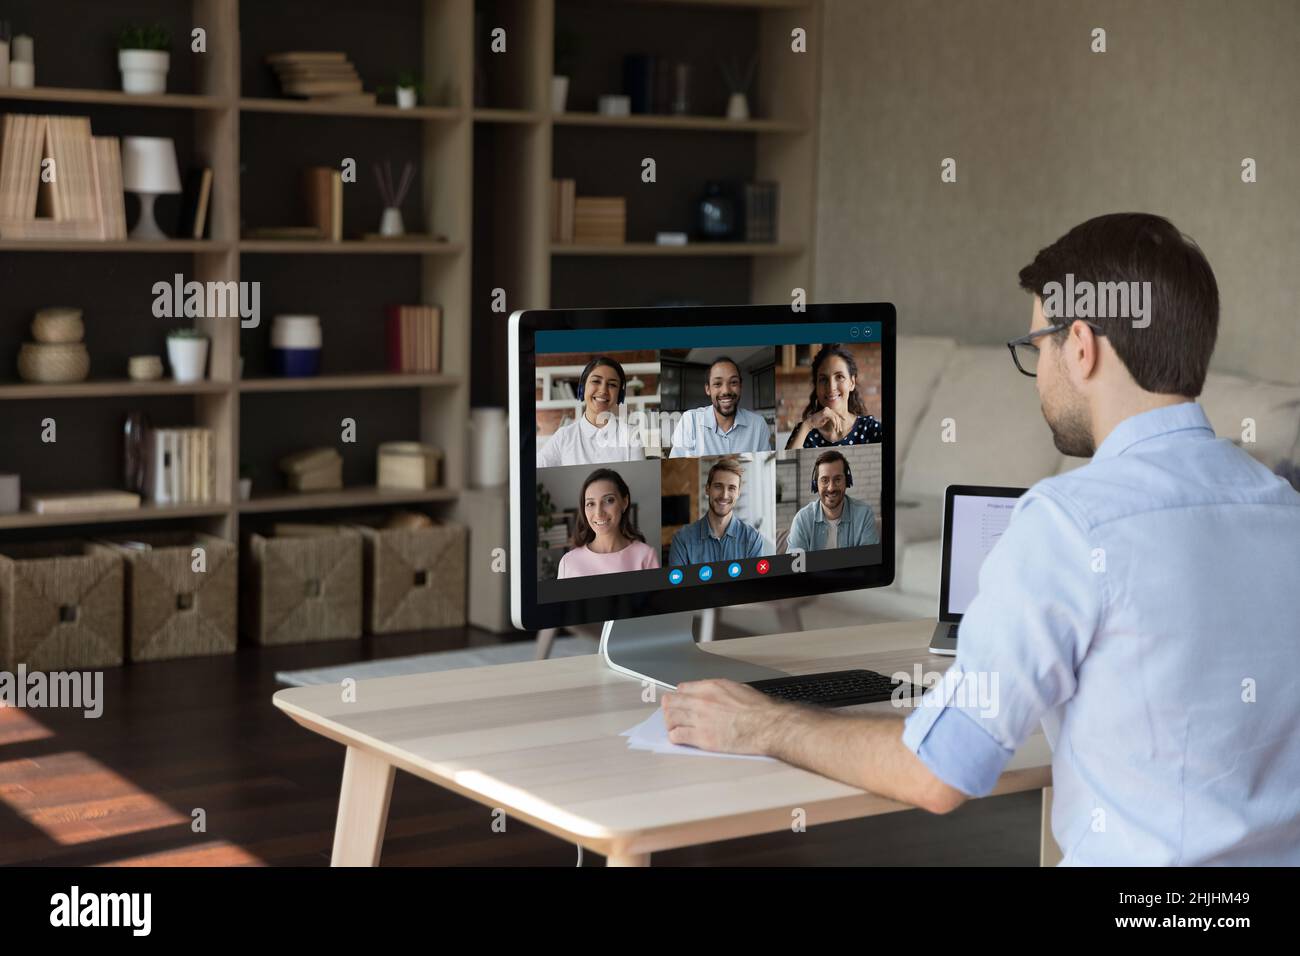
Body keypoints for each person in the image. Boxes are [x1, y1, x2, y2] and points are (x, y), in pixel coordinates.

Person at [662, 213, 1300, 865]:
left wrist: (763, 722)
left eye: (1037, 347)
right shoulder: (1284, 506)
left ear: (1080, 345)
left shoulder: (1070, 522)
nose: (1040, 374)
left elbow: (936, 772)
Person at [537, 355, 644, 468]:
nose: (603, 390)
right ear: (583, 388)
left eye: (612, 384)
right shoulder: (563, 437)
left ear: (620, 395)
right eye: (596, 381)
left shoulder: (631, 436)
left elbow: (642, 480)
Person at [556, 468, 659, 578]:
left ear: (624, 502)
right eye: (591, 504)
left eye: (609, 500)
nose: (599, 513)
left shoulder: (645, 556)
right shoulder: (569, 562)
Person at [667, 456, 766, 566]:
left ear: (738, 493)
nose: (724, 495)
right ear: (707, 489)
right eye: (718, 486)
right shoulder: (682, 540)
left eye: (732, 488)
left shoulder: (753, 539)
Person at [669, 356, 773, 457]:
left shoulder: (758, 425)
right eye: (718, 383)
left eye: (733, 382)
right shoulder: (690, 421)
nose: (726, 391)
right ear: (708, 389)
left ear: (740, 386)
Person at [784, 345, 884, 449]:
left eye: (839, 377)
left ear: (852, 383)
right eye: (823, 379)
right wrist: (808, 425)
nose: (831, 388)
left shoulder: (870, 429)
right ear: (816, 386)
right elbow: (786, 465)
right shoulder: (804, 430)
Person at [786, 450, 879, 552]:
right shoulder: (802, 520)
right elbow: (795, 565)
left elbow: (869, 563)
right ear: (815, 484)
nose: (831, 488)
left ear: (847, 481)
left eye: (838, 479)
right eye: (824, 480)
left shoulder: (864, 515)